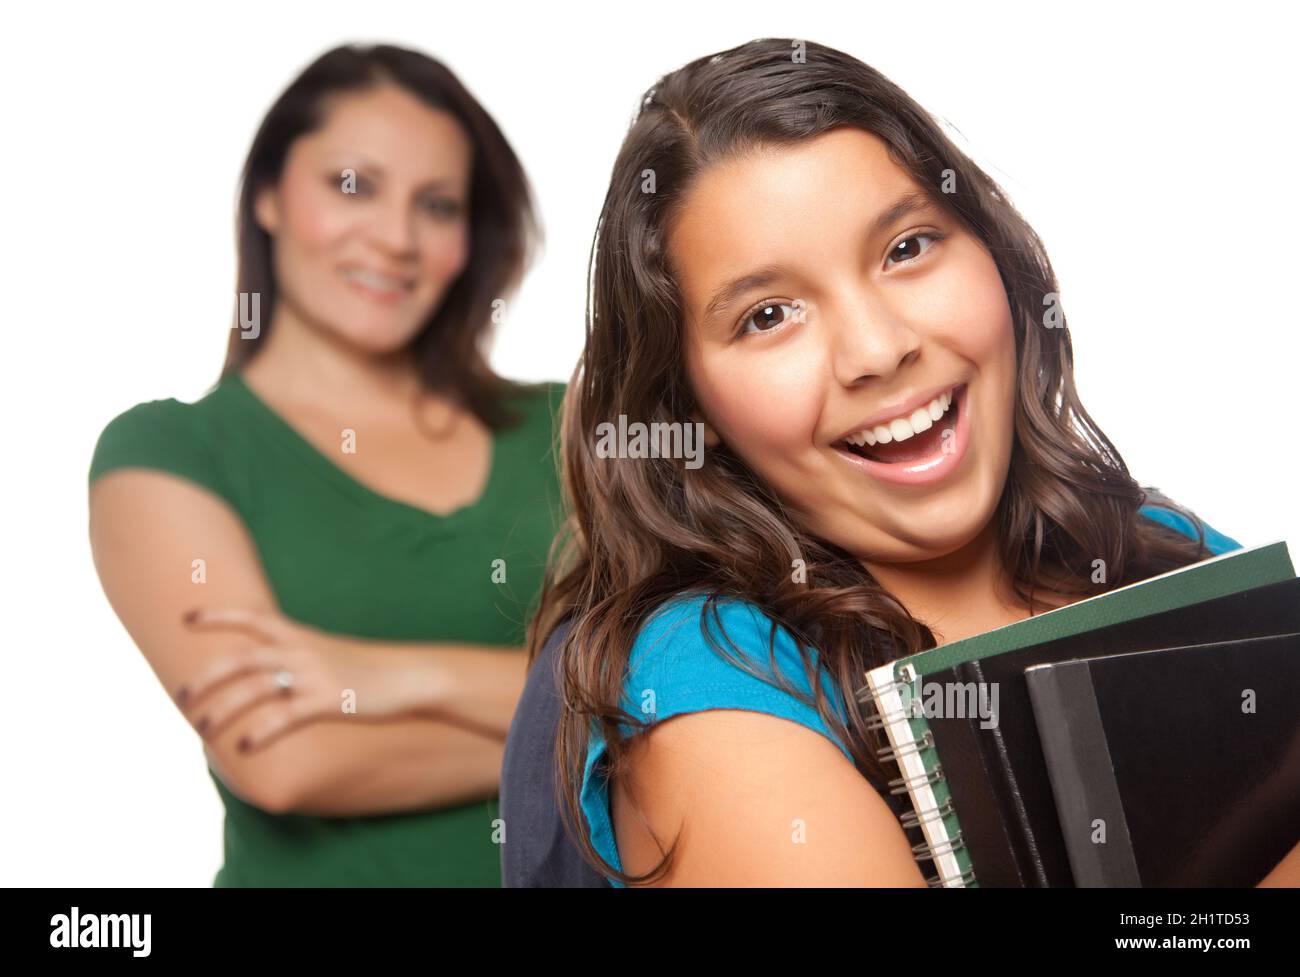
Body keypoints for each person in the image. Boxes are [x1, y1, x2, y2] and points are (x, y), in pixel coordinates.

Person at [501, 37, 1298, 887]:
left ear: (993, 249)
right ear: (688, 401)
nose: (878, 350)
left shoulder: (1158, 544)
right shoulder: (705, 676)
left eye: (908, 247)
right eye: (769, 314)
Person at [89, 43, 564, 886]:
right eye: (354, 185)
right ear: (269, 193)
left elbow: (693, 673)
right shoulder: (169, 452)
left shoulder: (573, 427)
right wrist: (596, 725)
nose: (394, 238)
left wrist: (389, 673)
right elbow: (287, 759)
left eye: (438, 205)